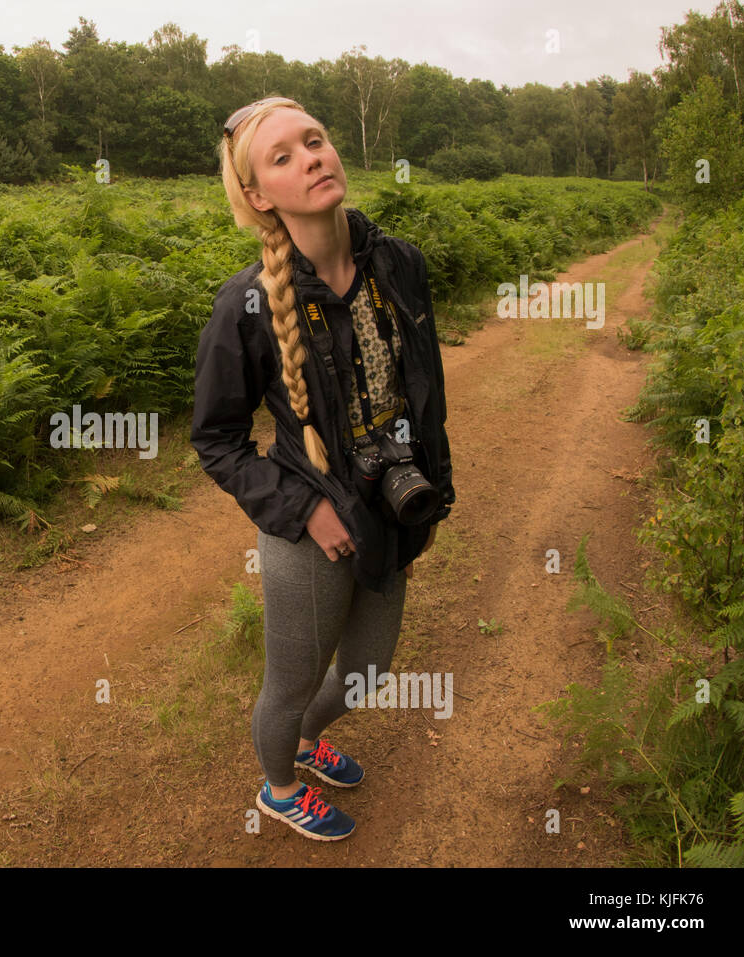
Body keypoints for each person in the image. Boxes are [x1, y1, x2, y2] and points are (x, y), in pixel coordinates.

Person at [189, 97, 455, 842]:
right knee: (292, 682)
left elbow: (427, 394)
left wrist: (433, 494)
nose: (311, 156)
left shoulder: (400, 264)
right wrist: (302, 508)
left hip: (393, 503)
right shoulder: (244, 304)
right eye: (282, 156)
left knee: (367, 671)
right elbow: (216, 438)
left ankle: (309, 744)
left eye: (315, 140)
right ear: (257, 195)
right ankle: (279, 787)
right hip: (307, 524)